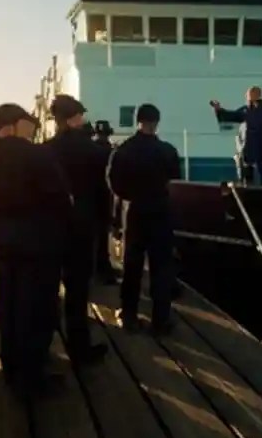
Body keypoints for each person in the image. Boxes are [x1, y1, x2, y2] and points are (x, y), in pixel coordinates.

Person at [0, 103, 72, 396]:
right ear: (15, 124)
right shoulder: (37, 154)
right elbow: (60, 200)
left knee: (8, 306)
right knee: (37, 308)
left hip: (3, 241)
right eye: (28, 122)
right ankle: (32, 376)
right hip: (38, 243)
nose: (33, 127)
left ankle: (10, 368)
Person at [46, 95, 110, 365]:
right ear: (73, 118)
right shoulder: (95, 151)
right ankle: (79, 348)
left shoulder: (44, 150)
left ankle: (46, 347)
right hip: (83, 227)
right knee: (77, 290)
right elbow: (103, 192)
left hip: (50, 227)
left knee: (48, 288)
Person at [106, 103, 180, 334]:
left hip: (136, 211)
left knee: (132, 265)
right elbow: (174, 180)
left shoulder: (123, 150)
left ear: (138, 120)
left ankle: (128, 315)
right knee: (162, 266)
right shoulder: (168, 150)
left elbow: (113, 183)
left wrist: (130, 197)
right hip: (161, 211)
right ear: (156, 122)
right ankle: (161, 319)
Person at [210, 85, 262, 186]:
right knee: (247, 173)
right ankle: (247, 188)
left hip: (261, 145)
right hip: (248, 146)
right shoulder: (246, 110)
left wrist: (257, 105)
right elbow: (232, 115)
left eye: (249, 95)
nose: (247, 97)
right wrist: (219, 110)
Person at [91, 120, 119, 285]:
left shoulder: (90, 149)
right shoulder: (111, 151)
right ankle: (103, 268)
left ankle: (96, 268)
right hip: (105, 196)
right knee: (102, 234)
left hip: (91, 197)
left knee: (95, 235)